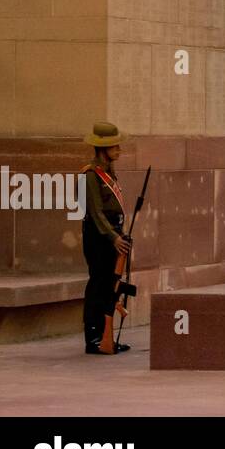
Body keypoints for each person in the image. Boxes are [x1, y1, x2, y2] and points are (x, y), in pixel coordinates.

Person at [82, 122, 133, 355]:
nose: (119, 149)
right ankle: (93, 337)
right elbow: (95, 212)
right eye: (115, 145)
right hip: (99, 237)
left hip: (113, 235)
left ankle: (106, 337)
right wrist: (114, 237)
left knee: (109, 288)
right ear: (103, 148)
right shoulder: (90, 175)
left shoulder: (109, 173)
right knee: (98, 284)